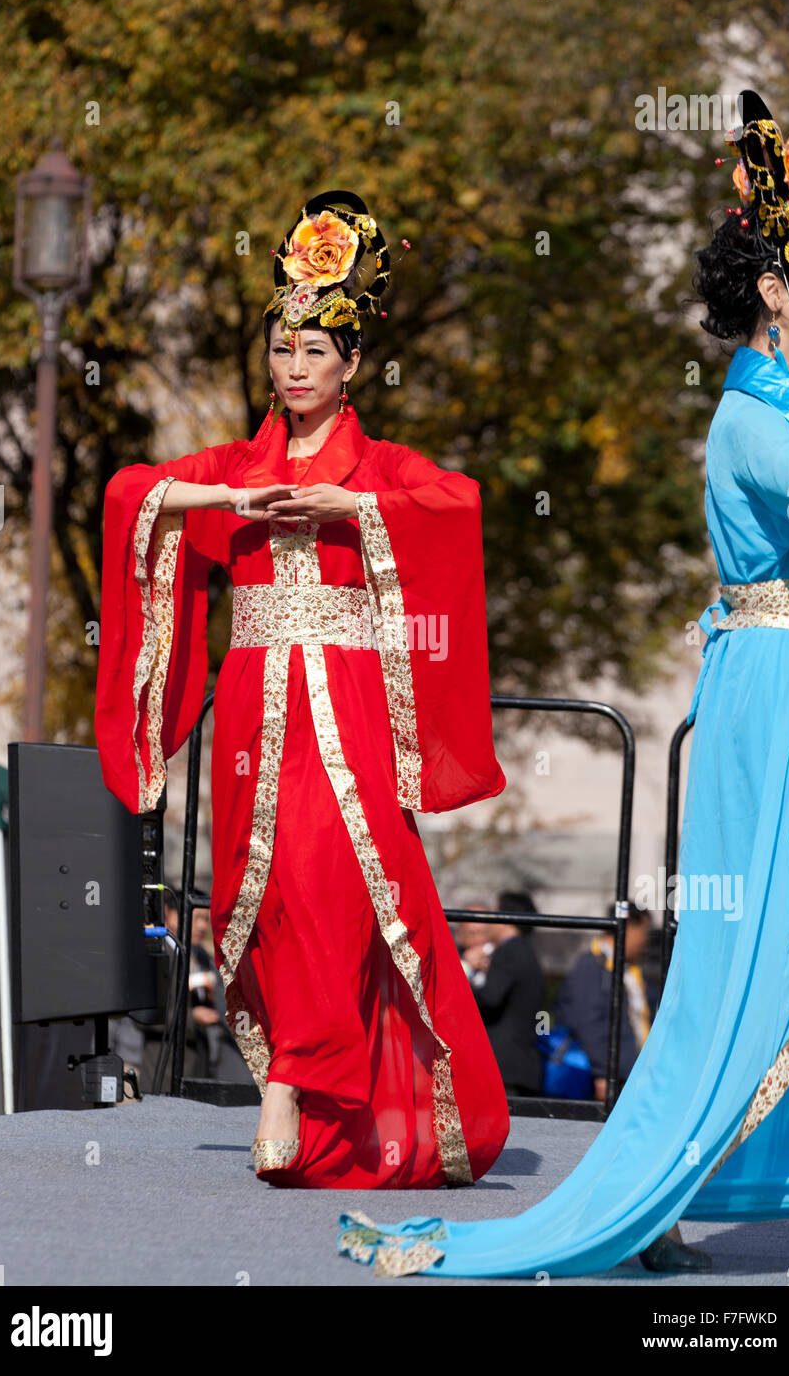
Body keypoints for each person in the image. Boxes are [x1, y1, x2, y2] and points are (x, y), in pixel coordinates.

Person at [336, 91, 789, 1276]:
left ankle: (701, 1183)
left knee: (788, 956)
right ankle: (643, 1193)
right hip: (777, 695)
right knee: (742, 965)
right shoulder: (752, 427)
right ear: (777, 290)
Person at [95, 191, 509, 1187]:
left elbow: (454, 508)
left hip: (346, 703)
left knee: (336, 881)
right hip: (252, 702)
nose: (292, 369)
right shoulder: (238, 463)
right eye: (282, 351)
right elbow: (128, 493)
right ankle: (306, 1084)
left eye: (313, 353)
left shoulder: (382, 466)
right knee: (259, 887)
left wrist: (347, 505)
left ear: (351, 364)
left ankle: (289, 1083)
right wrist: (231, 497)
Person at [554, 905, 657, 1102]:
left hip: (628, 1072)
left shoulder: (629, 970)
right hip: (609, 1076)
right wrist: (602, 1072)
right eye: (645, 933)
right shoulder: (592, 967)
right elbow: (588, 1023)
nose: (645, 942)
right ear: (630, 928)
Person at [471, 891, 545, 1097]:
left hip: (505, 1069)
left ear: (505, 919)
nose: (489, 923)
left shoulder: (508, 952)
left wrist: (464, 984)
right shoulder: (527, 953)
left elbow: (489, 997)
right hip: (520, 1066)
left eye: (494, 914)